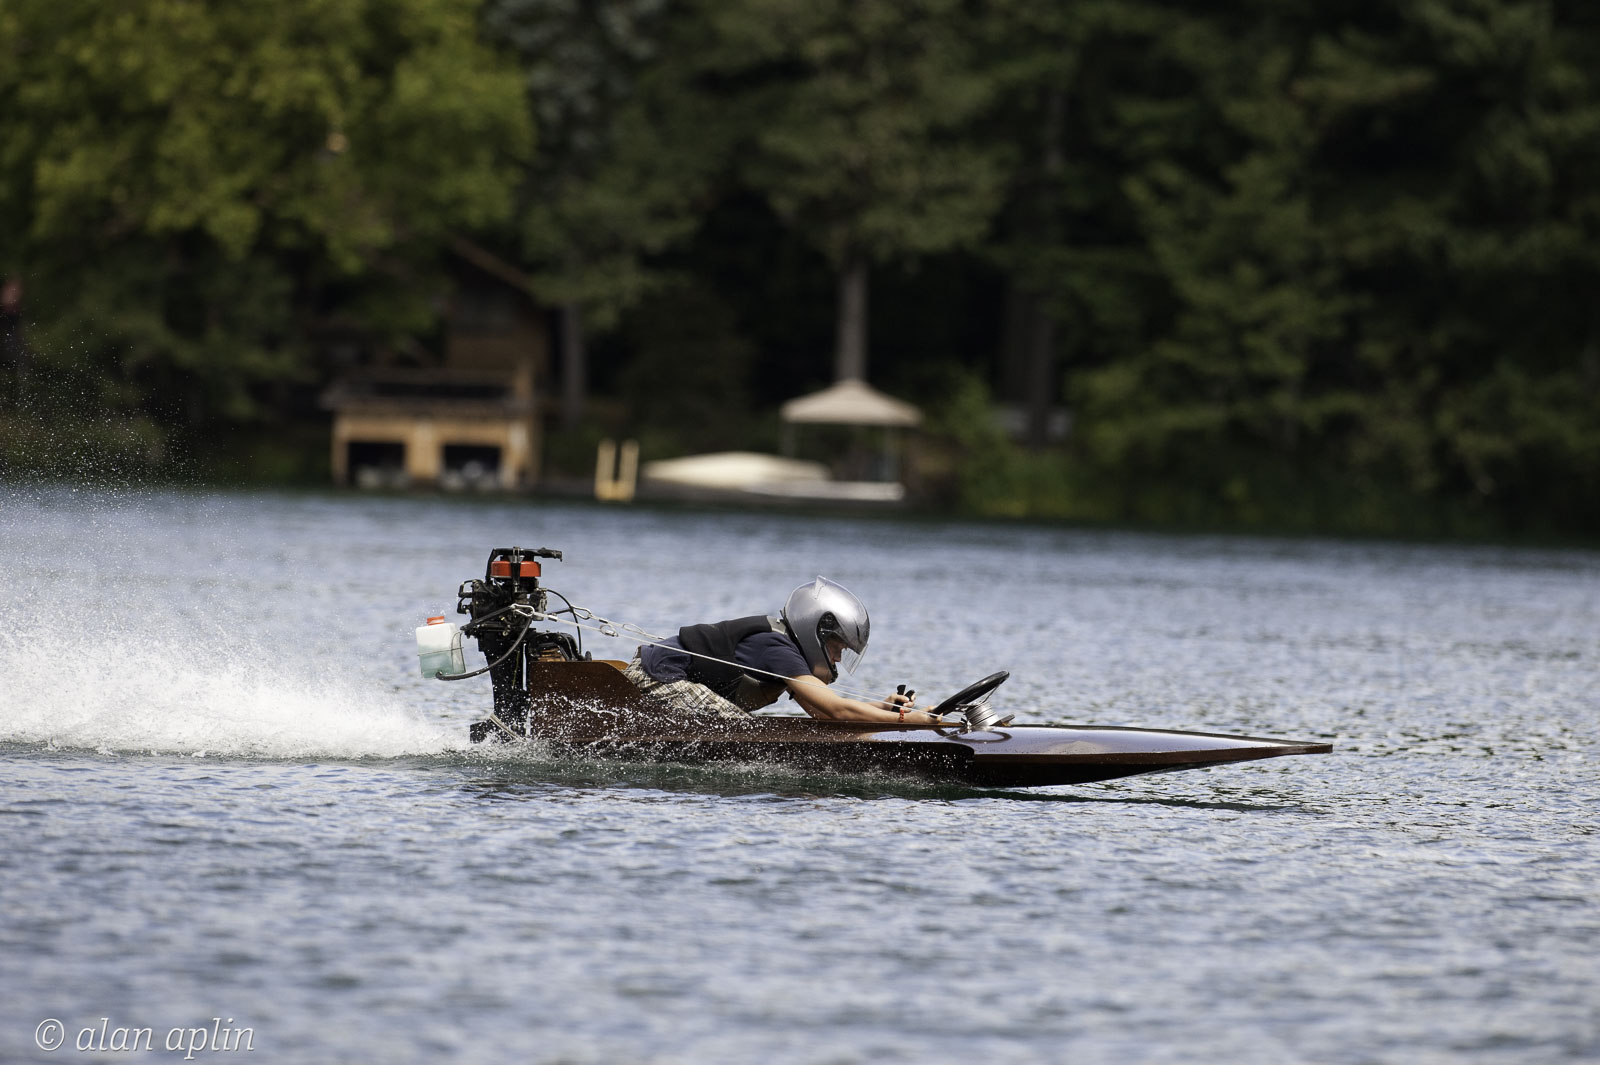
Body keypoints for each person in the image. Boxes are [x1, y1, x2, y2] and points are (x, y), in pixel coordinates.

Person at [622, 576, 945, 724]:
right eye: (836, 648)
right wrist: (907, 718)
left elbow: (820, 711)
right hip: (658, 676)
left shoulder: (787, 653)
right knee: (738, 733)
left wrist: (886, 709)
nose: (836, 658)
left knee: (740, 728)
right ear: (815, 633)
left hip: (663, 674)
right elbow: (836, 711)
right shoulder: (778, 648)